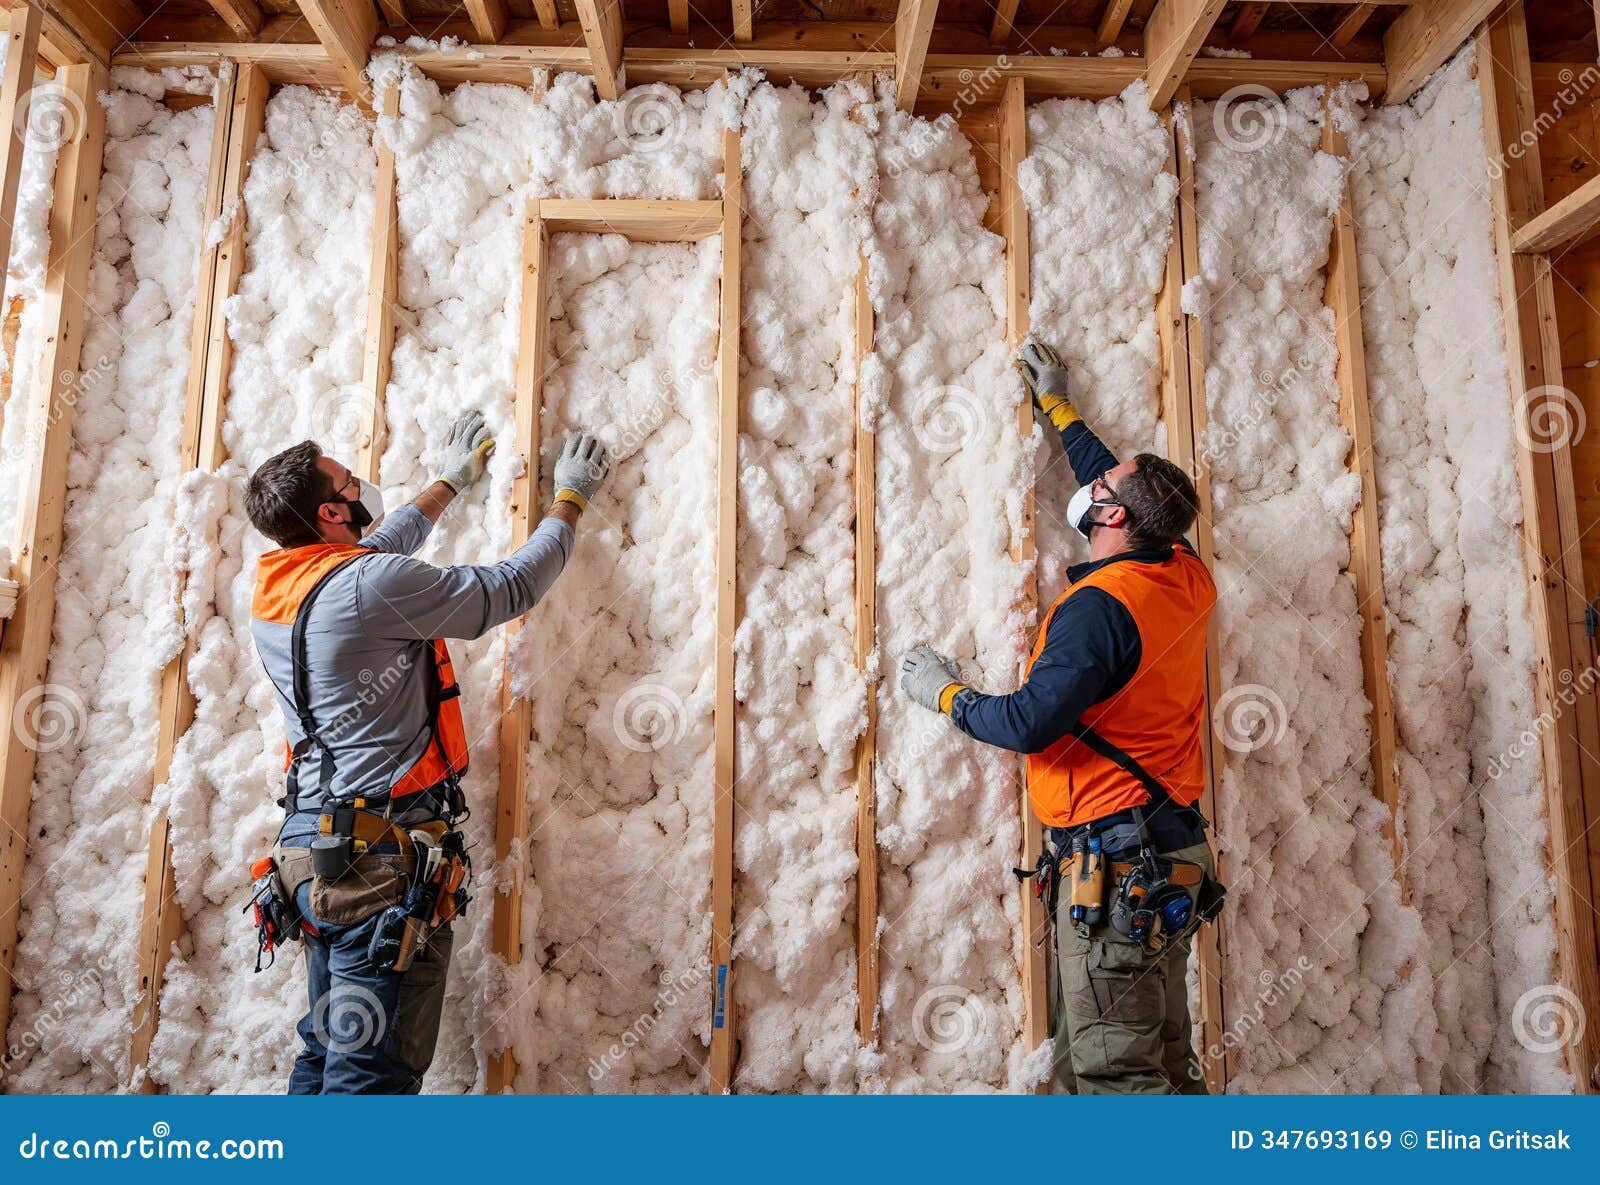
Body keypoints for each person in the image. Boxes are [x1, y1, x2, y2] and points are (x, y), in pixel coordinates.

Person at [243, 410, 610, 1094]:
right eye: (347, 482)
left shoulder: (278, 589)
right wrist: (570, 500)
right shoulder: (367, 587)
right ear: (330, 513)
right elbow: (509, 588)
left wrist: (447, 483)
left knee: (325, 1055)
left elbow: (372, 555)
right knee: (369, 1079)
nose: (361, 485)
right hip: (374, 869)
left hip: (310, 856)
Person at [899, 342, 1221, 1094]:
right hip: (1168, 856)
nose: (1094, 481)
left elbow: (1028, 724)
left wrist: (945, 693)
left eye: (1102, 485)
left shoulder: (1096, 611)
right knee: (1136, 1067)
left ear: (1112, 514)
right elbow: (1123, 489)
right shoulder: (1184, 572)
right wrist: (1059, 406)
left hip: (1120, 872)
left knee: (1118, 1078)